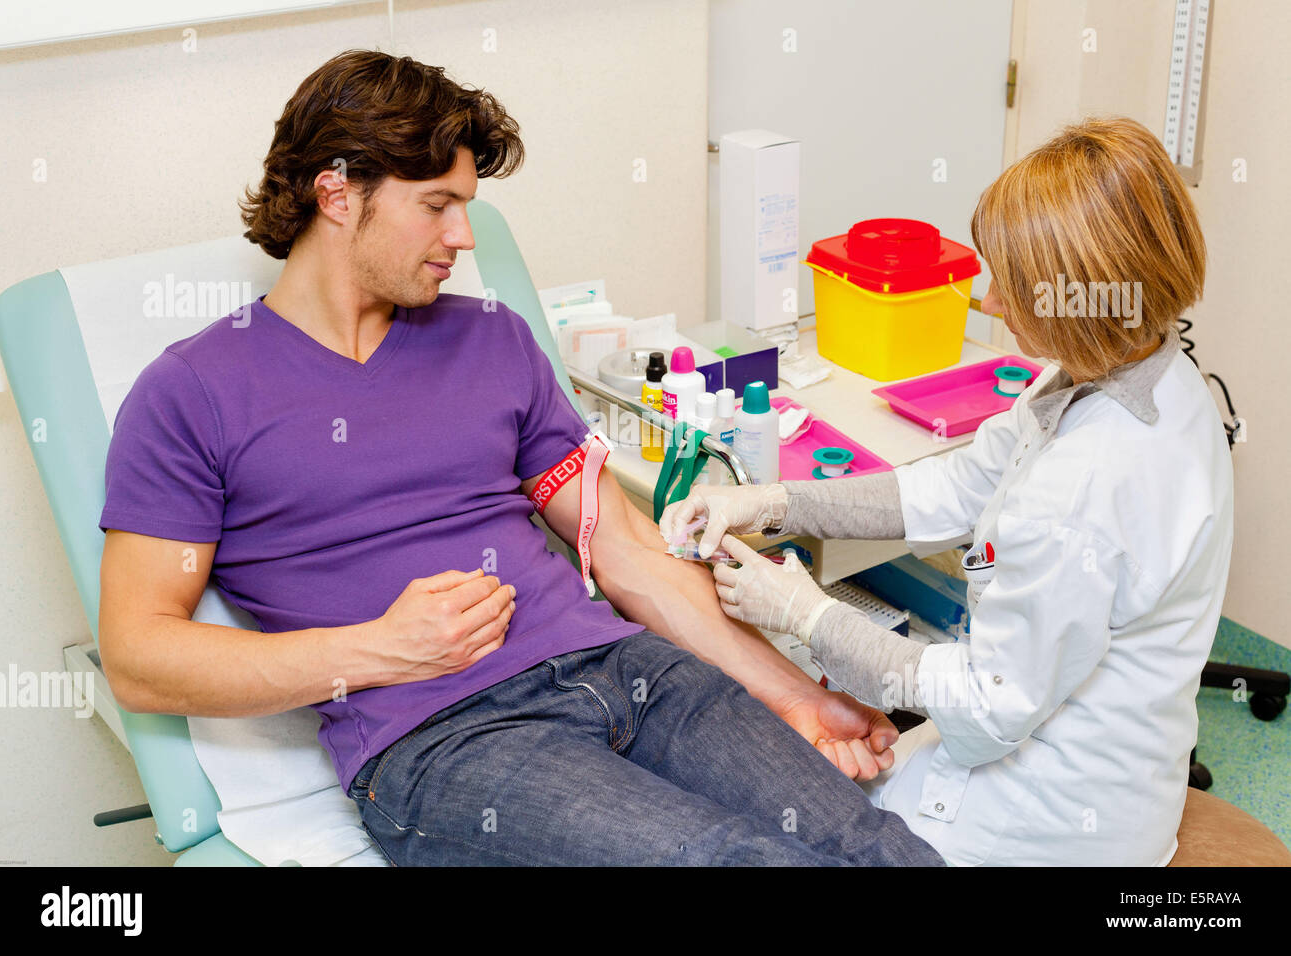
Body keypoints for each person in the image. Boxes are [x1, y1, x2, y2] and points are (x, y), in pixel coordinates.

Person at [96, 49, 941, 866]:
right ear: (338, 193)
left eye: (466, 205)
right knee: (733, 861)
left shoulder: (493, 341)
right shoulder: (193, 394)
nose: (464, 236)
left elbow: (624, 549)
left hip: (630, 673)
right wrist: (378, 650)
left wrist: (794, 694)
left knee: (875, 847)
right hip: (449, 739)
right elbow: (139, 655)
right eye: (437, 205)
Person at [663, 116, 1232, 866]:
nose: (989, 304)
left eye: (1013, 286)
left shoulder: (1093, 484)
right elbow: (948, 488)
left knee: (783, 827)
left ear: (1081, 297)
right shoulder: (1139, 374)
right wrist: (774, 501)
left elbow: (984, 706)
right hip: (1078, 754)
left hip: (1053, 823)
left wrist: (806, 615)